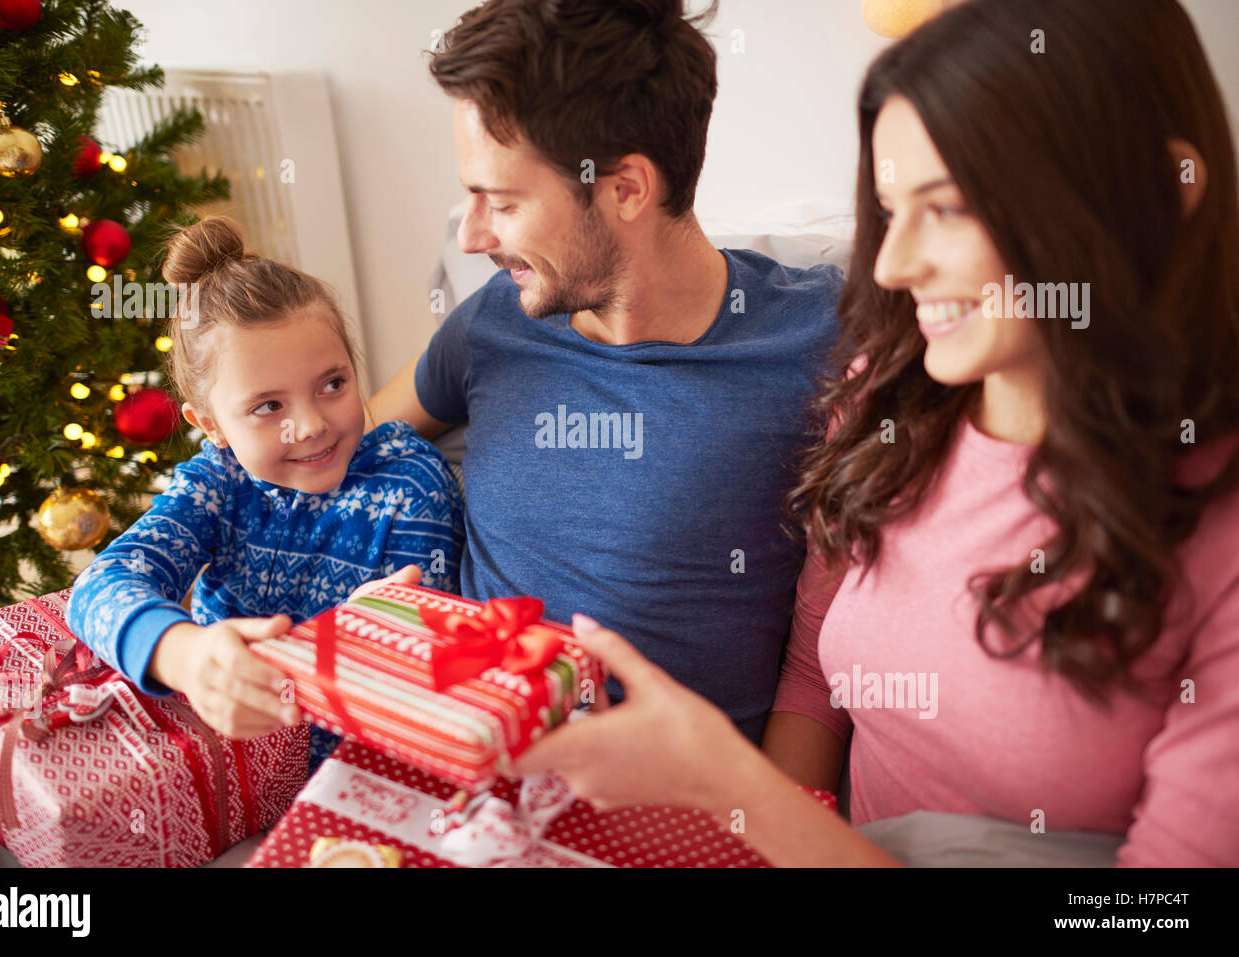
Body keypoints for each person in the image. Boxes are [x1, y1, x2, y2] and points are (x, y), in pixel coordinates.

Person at [516, 0, 1239, 867]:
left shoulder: (1214, 519)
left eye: (951, 208)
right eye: (891, 212)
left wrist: (730, 786)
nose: (892, 265)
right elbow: (816, 676)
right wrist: (756, 829)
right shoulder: (889, 399)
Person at [365, 0, 842, 744]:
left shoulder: (822, 340)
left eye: (502, 202)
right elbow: (342, 443)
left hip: (679, 797)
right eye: (471, 196)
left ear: (626, 188)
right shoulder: (493, 322)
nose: (471, 236)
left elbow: (825, 660)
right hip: (468, 761)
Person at [67, 218, 465, 771]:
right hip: (233, 769)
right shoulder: (219, 482)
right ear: (211, 426)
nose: (310, 425)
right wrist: (184, 655)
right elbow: (98, 586)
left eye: (332, 384)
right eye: (268, 406)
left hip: (357, 774)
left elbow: (422, 689)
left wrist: (358, 640)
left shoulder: (411, 490)